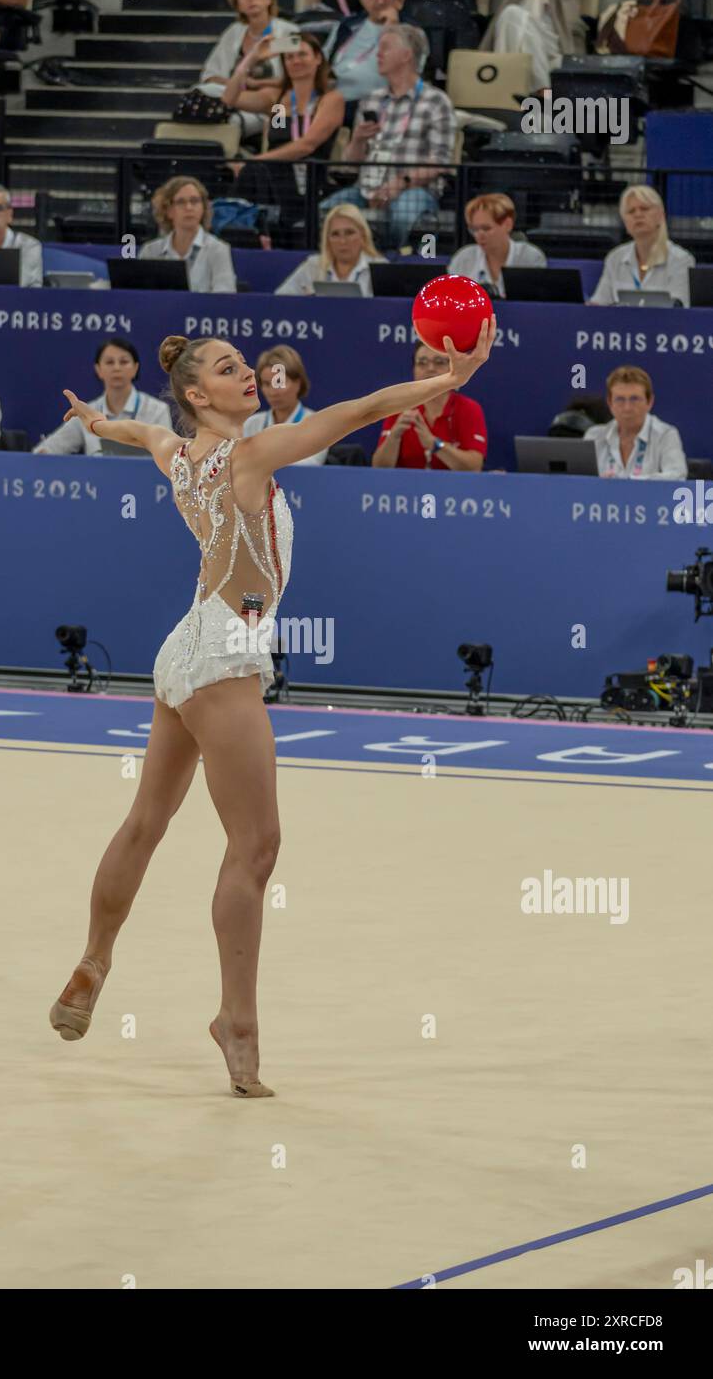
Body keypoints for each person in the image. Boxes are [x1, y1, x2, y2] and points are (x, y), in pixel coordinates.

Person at [49, 317, 496, 1095]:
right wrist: (446, 383)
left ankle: (93, 961)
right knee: (255, 849)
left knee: (146, 823)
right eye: (228, 369)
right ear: (199, 393)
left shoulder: (177, 454)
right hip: (223, 655)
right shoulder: (251, 455)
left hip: (185, 649)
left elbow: (136, 432)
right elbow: (354, 411)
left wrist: (93, 420)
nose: (247, 373)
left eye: (245, 364)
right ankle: (237, 1022)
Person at [321, 23, 456, 251]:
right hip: (366, 189)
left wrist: (399, 184)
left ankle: (391, 264)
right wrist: (358, 141)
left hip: (413, 190)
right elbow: (351, 166)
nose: (378, 54)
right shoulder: (372, 101)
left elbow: (439, 162)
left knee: (404, 214)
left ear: (406, 55)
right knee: (326, 211)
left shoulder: (436, 101)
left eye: (385, 48)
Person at [221, 32, 344, 229]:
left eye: (302, 55)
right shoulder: (278, 102)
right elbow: (229, 99)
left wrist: (256, 160)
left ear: (318, 58)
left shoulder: (329, 99)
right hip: (271, 176)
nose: (296, 61)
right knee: (253, 173)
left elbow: (306, 145)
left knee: (253, 170)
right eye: (289, 57)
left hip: (307, 180)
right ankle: (239, 228)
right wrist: (251, 59)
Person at [33, 340, 173, 456]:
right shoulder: (86, 412)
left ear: (135, 368)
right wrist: (41, 457)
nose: (117, 368)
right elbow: (48, 449)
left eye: (124, 362)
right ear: (98, 369)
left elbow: (169, 456)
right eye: (109, 362)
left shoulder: (157, 410)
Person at [197, 0, 297, 142]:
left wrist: (257, 83)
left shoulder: (288, 32)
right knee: (204, 91)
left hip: (274, 104)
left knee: (274, 108)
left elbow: (298, 77)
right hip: (232, 98)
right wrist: (237, 84)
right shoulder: (234, 32)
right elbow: (211, 76)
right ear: (238, 7)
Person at [373, 341, 487, 469]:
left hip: (454, 487)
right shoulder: (400, 406)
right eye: (422, 363)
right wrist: (394, 436)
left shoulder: (469, 408)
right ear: (414, 369)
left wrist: (435, 444)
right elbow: (378, 467)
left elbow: (474, 467)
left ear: (452, 367)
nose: (430, 368)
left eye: (439, 362)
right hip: (405, 487)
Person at [589, 185, 695, 309]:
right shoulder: (615, 257)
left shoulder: (681, 260)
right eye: (631, 211)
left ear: (660, 215)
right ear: (624, 221)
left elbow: (679, 308)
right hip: (619, 327)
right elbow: (598, 304)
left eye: (644, 209)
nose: (638, 214)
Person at [324, 0, 413, 126]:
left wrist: (392, 28)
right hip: (333, 100)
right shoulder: (347, 25)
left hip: (376, 104)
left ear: (400, 1)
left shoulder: (410, 32)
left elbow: (407, 73)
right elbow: (323, 61)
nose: (380, 1)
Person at [583, 365, 687, 480]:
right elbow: (579, 482)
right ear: (609, 403)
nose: (627, 408)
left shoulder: (665, 435)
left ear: (650, 402)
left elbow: (677, 477)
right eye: (620, 399)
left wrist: (630, 481)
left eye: (634, 399)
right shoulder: (594, 436)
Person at [138, 176, 237, 295]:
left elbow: (225, 298)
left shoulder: (218, 249)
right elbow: (141, 298)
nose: (189, 207)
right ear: (168, 210)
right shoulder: (150, 251)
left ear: (203, 208)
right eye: (181, 202)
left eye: (194, 201)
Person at [479, 0, 587, 94]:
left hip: (552, 39)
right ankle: (544, 91)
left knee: (513, 16)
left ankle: (505, 90)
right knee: (512, 16)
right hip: (517, 33)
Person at [275, 202, 387, 295]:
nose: (342, 241)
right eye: (335, 234)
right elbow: (280, 298)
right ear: (327, 239)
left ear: (363, 235)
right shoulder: (313, 265)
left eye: (349, 232)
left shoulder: (380, 268)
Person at [242, 344, 329, 464]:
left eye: (279, 382)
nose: (273, 392)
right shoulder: (250, 425)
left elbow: (310, 466)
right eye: (267, 384)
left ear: (298, 383)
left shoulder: (316, 423)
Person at [448, 192, 546, 298]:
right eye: (474, 229)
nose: (479, 235)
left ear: (507, 224)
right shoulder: (463, 259)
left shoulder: (530, 257)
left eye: (486, 228)